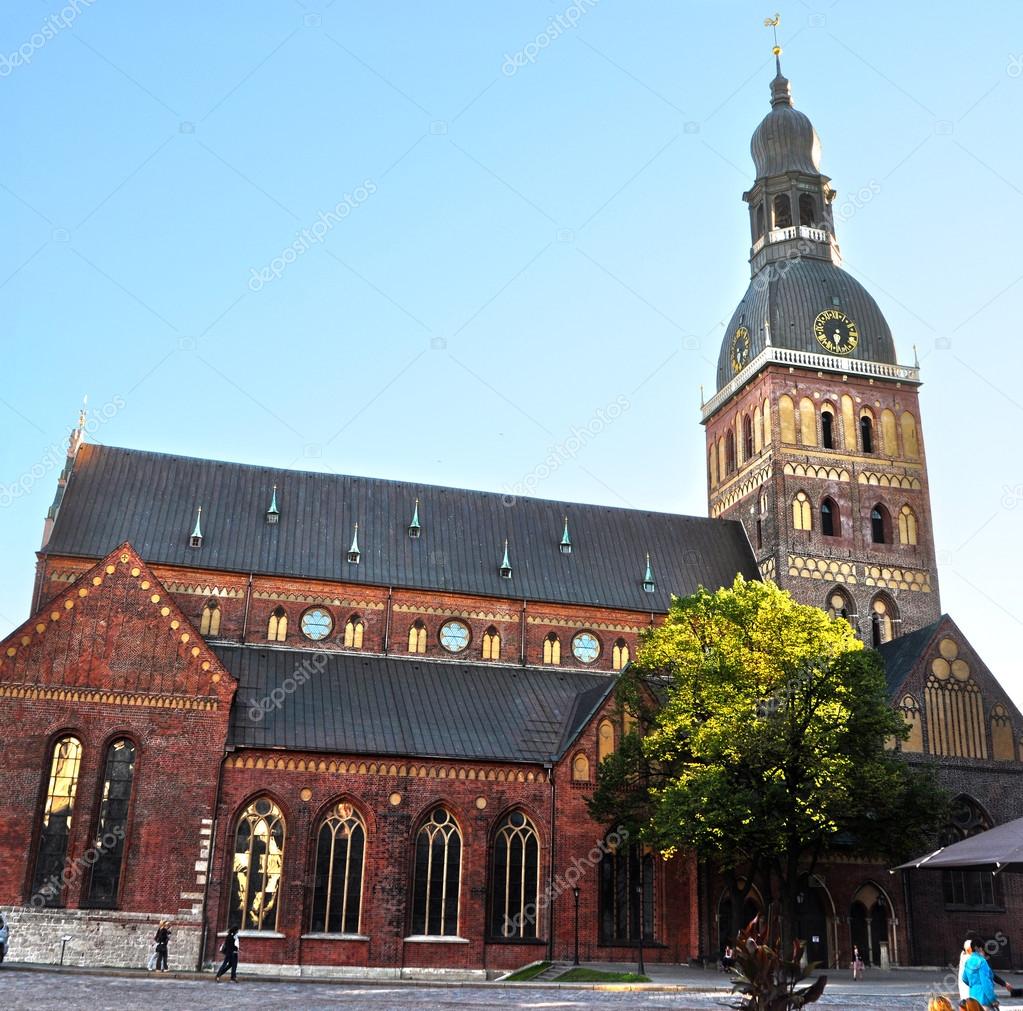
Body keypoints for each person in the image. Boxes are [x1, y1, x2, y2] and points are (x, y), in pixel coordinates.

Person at [962, 935, 997, 1010]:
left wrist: (973, 984)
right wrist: (993, 1000)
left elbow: (964, 978)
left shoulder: (968, 961)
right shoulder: (982, 962)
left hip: (972, 998)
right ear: (980, 948)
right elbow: (986, 983)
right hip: (984, 999)